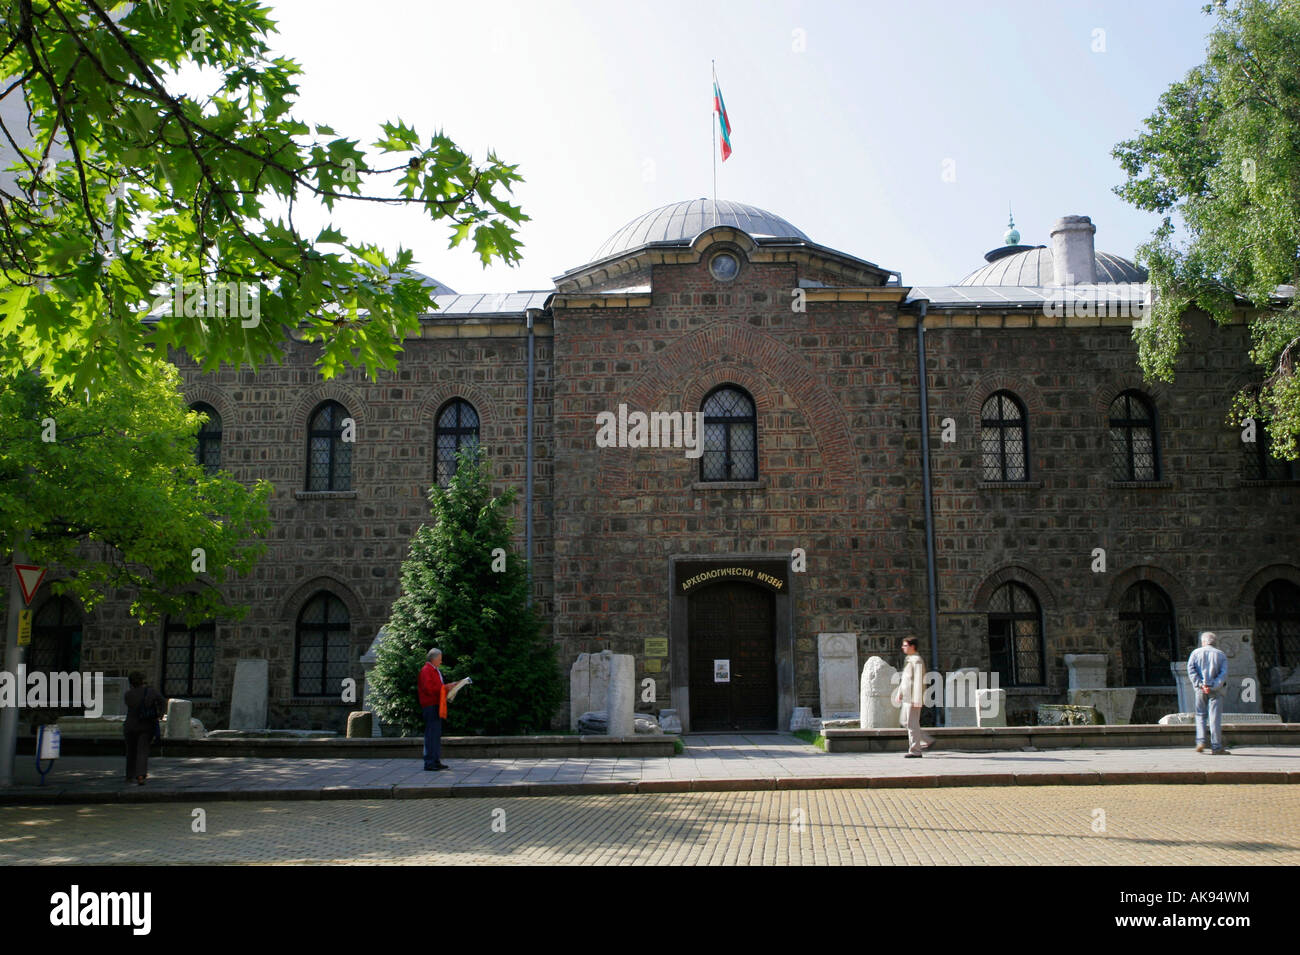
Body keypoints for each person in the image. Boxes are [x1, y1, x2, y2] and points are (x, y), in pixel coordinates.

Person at [418, 648, 467, 771]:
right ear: (434, 659)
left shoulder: (433, 670)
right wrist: (446, 688)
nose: (441, 661)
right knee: (431, 734)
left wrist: (446, 687)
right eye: (440, 659)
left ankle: (435, 760)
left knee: (435, 734)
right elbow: (429, 689)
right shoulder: (426, 671)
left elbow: (435, 687)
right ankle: (430, 762)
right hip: (430, 705)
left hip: (435, 704)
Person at [1187, 631, 1230, 755]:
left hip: (1200, 690)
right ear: (1214, 642)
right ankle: (1216, 746)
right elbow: (1223, 673)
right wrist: (1214, 685)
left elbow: (1191, 670)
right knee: (1214, 717)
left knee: (1200, 715)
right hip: (1216, 690)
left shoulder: (1195, 653)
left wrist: (1201, 684)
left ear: (1203, 642)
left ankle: (1200, 741)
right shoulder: (1221, 655)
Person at [893, 637, 934, 757]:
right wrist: (899, 692)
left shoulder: (917, 660)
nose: (903, 647)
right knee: (904, 721)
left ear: (912, 646)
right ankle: (927, 740)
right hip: (907, 696)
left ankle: (915, 751)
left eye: (905, 645)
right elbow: (905, 679)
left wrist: (917, 698)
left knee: (912, 724)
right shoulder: (909, 660)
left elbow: (919, 681)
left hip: (912, 698)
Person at [123, 672, 165, 785]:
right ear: (142, 680)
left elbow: (130, 706)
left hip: (130, 725)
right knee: (142, 751)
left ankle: (129, 776)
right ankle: (140, 776)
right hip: (146, 725)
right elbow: (162, 701)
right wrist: (160, 714)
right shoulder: (150, 691)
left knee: (131, 751)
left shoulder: (128, 694)